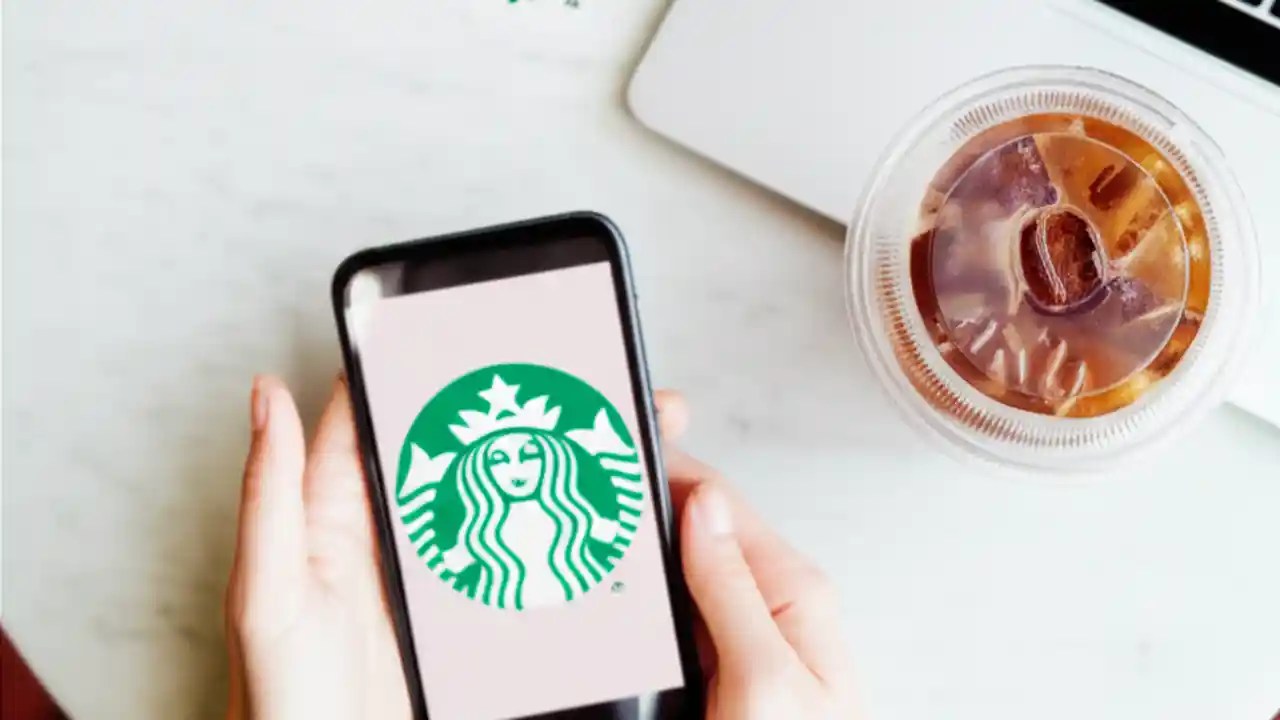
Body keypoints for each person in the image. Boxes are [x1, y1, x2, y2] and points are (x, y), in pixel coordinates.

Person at [225, 375, 856, 719]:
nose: (516, 464)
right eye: (498, 456)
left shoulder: (581, 542)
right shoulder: (472, 559)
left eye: (530, 450)